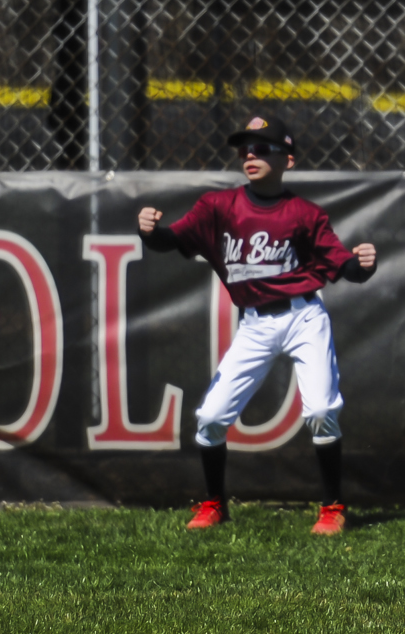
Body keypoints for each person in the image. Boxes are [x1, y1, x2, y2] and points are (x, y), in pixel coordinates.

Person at [135, 113, 376, 535]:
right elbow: (172, 240)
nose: (250, 155)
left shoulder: (305, 214)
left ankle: (333, 507)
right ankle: (214, 504)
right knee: (211, 416)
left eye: (263, 148)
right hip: (255, 324)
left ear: (288, 160)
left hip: (304, 316)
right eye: (245, 149)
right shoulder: (218, 207)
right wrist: (150, 233)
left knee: (322, 409)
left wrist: (363, 265)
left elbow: (344, 267)